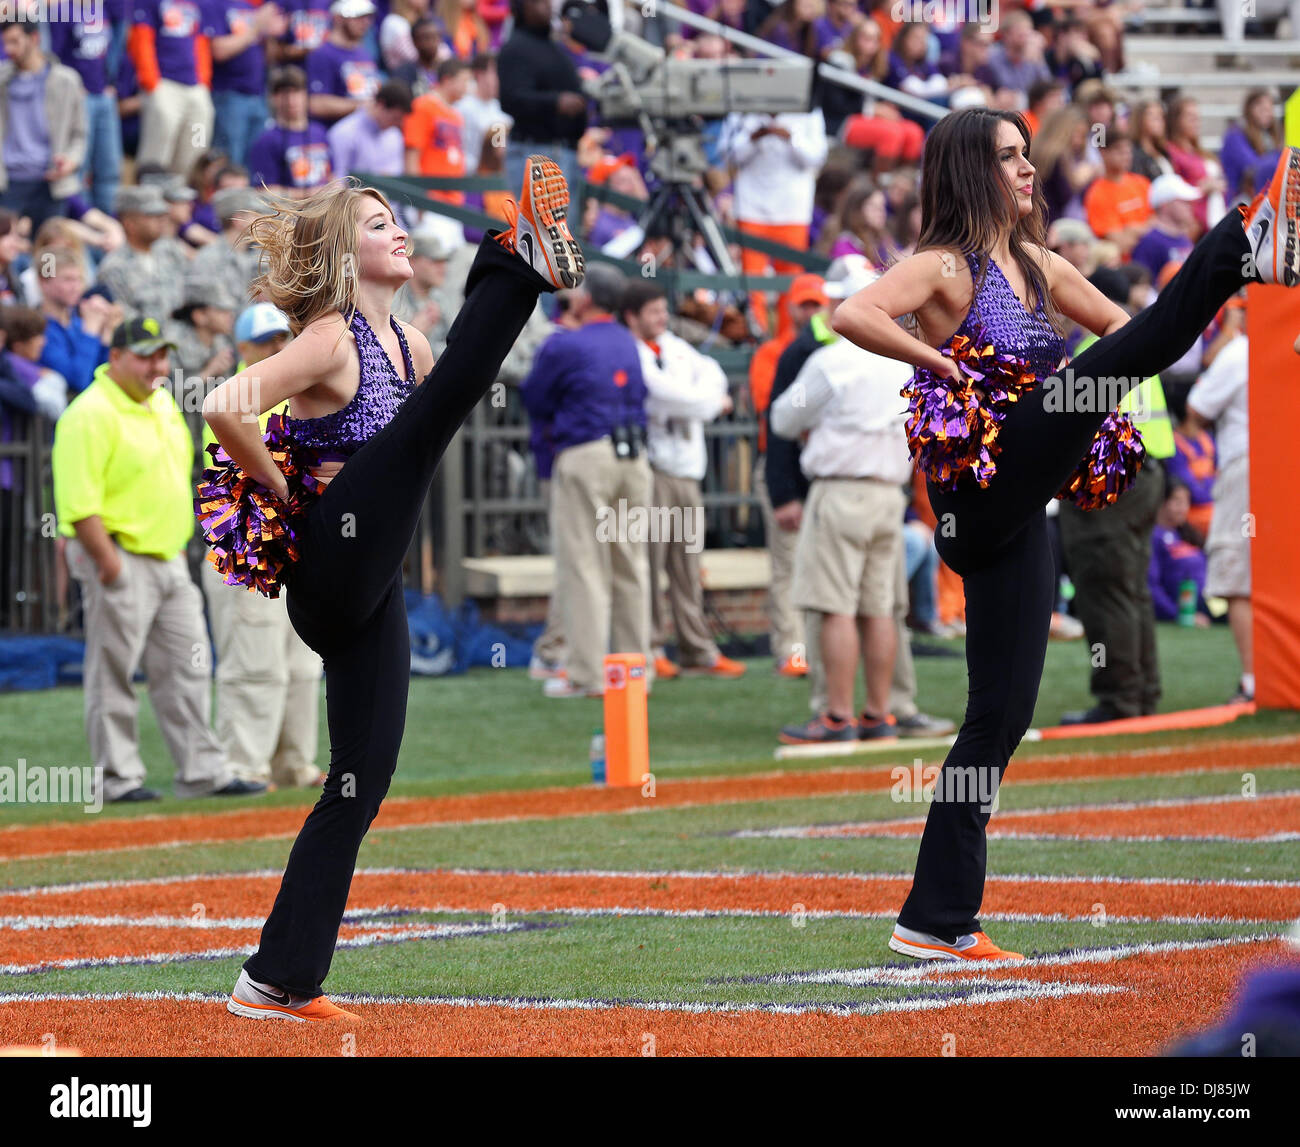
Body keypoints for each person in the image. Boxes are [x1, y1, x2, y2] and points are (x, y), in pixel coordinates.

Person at [828, 108, 1298, 961]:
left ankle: (934, 919)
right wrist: (942, 362)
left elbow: (1127, 333)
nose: (1026, 170)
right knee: (1094, 377)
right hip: (978, 488)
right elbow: (850, 314)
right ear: (973, 170)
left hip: (1030, 493)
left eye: (1025, 155)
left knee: (998, 719)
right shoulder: (942, 264)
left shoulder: (1041, 263)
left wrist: (1099, 392)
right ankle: (1241, 245)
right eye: (1008, 158)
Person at [203, 156, 582, 1019]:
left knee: (359, 782)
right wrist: (282, 487)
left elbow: (424, 424)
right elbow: (225, 403)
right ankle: (516, 260)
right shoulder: (332, 336)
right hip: (332, 566)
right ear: (345, 251)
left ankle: (276, 977)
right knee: (435, 410)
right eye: (378, 224)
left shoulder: (408, 344)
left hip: (377, 574)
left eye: (397, 220)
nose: (399, 230)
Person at [52, 316, 263, 803]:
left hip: (168, 559)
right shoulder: (89, 413)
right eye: (146, 355)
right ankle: (116, 779)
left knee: (189, 666)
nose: (157, 366)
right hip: (119, 555)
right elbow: (78, 503)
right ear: (117, 358)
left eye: (162, 355)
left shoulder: (163, 402)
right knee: (113, 672)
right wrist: (108, 565)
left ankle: (202, 772)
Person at [201, 303, 325, 791]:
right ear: (243, 350)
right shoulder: (236, 397)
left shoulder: (297, 390)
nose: (278, 348)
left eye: (284, 338)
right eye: (267, 341)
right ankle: (243, 766)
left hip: (295, 544)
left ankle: (293, 764)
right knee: (253, 660)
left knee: (301, 661)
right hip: (247, 541)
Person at [518, 263, 651, 700]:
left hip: (585, 456)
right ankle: (635, 670)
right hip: (634, 459)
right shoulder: (629, 342)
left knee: (584, 567)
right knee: (629, 565)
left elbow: (533, 395)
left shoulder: (566, 345)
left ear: (588, 299)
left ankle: (588, 675)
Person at [621, 279, 745, 681]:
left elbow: (712, 374)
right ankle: (653, 645)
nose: (661, 318)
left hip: (688, 472)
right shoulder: (630, 352)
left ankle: (697, 649)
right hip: (655, 470)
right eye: (653, 312)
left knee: (688, 567)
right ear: (632, 317)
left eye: (663, 310)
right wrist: (709, 405)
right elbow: (665, 396)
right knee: (652, 563)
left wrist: (699, 400)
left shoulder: (674, 346)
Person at [1187, 328, 1253, 703]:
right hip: (1283, 461)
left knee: (1238, 574)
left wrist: (1226, 338)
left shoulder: (1241, 351)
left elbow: (1198, 406)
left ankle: (1254, 682)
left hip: (1248, 465)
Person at [0, 19, 88, 232]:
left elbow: (80, 134)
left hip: (50, 183)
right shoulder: (3, 80)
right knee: (8, 251)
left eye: (15, 42)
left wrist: (70, 161)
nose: (9, 49)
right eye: (6, 43)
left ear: (34, 38)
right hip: (9, 182)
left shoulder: (66, 80)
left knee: (49, 253)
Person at [129, 0, 216, 175]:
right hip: (164, 84)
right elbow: (141, 39)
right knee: (157, 151)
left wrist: (203, 82)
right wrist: (152, 83)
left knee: (196, 147)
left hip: (195, 88)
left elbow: (201, 42)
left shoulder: (198, 3)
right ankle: (150, 196)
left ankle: (186, 199)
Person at [248, 65, 335, 199]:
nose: (291, 100)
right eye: (284, 94)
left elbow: (331, 175)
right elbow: (263, 191)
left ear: (305, 94)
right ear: (273, 98)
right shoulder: (267, 141)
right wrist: (310, 194)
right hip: (291, 212)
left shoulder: (319, 132)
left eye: (296, 92)